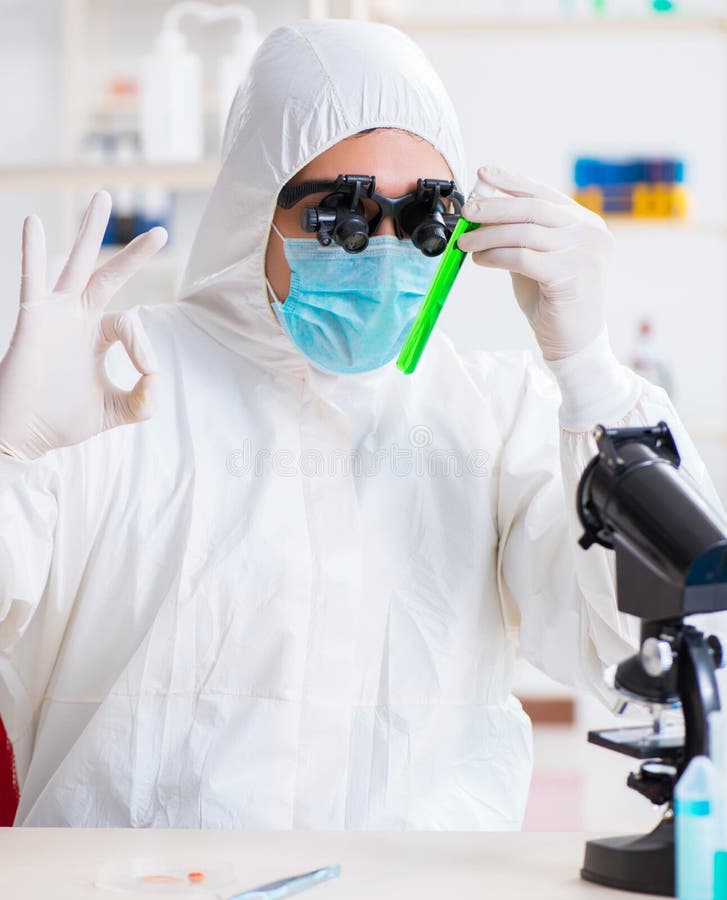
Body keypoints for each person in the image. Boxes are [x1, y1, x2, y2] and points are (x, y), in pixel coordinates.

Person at [0, 19, 720, 829]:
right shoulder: (113, 386)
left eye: (421, 217)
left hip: (417, 885)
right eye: (338, 215)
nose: (382, 250)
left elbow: (630, 646)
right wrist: (10, 458)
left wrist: (591, 376)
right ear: (253, 210)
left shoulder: (488, 413)